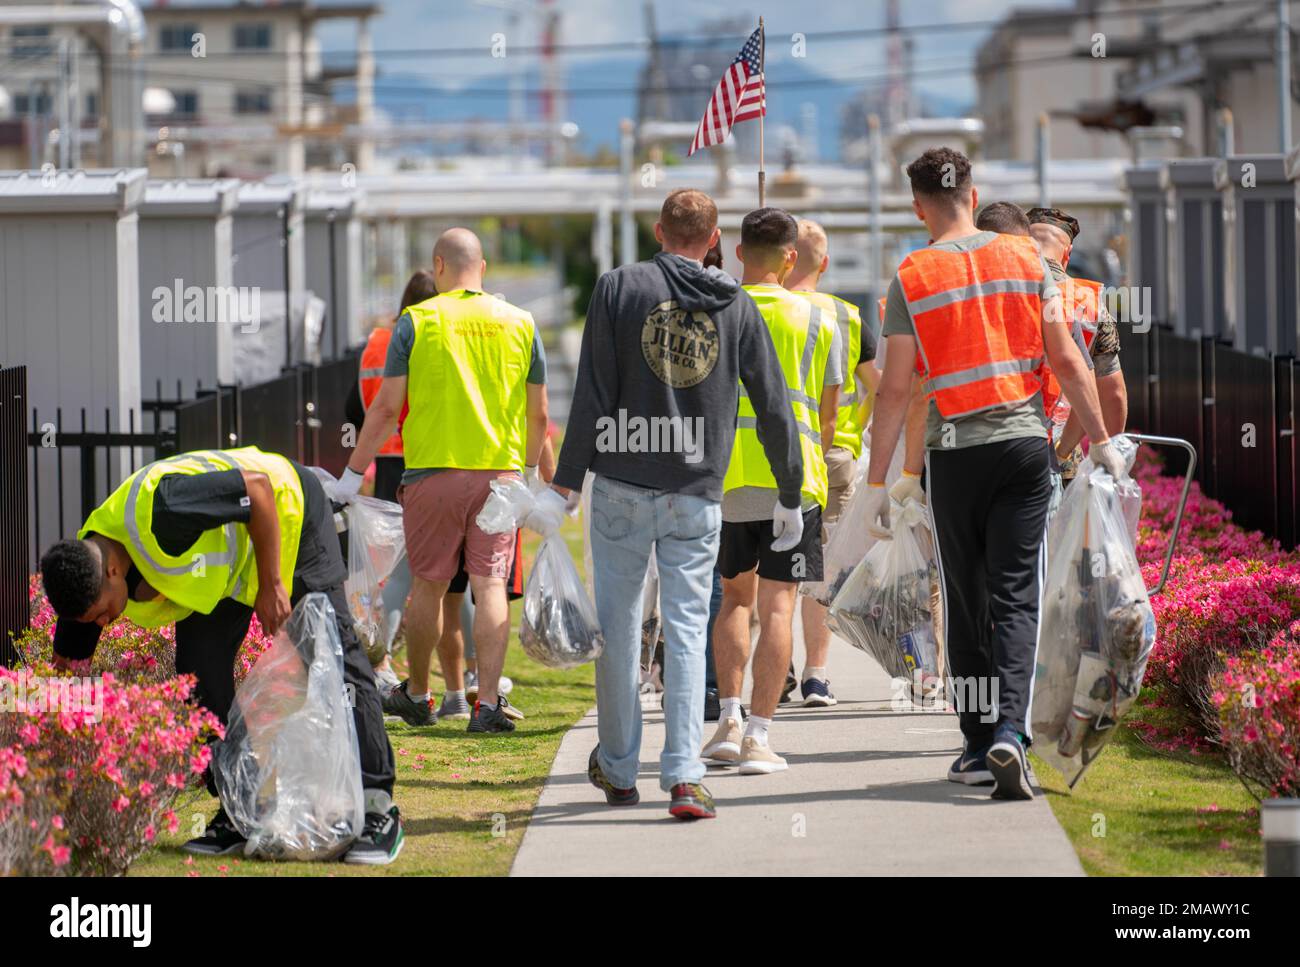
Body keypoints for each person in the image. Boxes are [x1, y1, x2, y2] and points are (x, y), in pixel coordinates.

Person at [863, 147, 1126, 801]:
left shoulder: (912, 274)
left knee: (966, 599)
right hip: (1022, 450)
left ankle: (978, 743)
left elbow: (896, 390)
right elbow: (1068, 360)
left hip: (955, 457)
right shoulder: (1026, 261)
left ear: (919, 207)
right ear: (973, 197)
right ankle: (1013, 729)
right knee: (1016, 596)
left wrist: (881, 483)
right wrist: (1101, 443)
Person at [548, 188, 803, 819]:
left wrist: (566, 483)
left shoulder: (617, 288)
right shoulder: (737, 304)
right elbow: (774, 404)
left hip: (621, 483)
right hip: (696, 491)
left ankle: (616, 767)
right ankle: (685, 775)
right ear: (714, 240)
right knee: (688, 633)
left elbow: (593, 389)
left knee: (618, 631)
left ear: (661, 231)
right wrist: (790, 491)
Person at [39, 447, 403, 864]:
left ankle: (378, 808)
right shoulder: (88, 561)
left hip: (290, 516)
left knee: (332, 652)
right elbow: (73, 637)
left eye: (102, 612)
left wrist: (271, 584)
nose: (102, 623)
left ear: (113, 572)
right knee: (199, 676)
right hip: (232, 572)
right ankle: (241, 807)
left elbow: (258, 489)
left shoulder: (165, 509)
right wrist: (57, 684)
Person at [341, 227, 549, 734]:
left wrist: (350, 476)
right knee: (491, 585)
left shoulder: (416, 321)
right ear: (484, 268)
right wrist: (529, 475)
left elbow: (387, 407)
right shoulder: (521, 323)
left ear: (438, 267)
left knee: (429, 587)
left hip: (433, 472)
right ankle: (487, 706)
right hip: (498, 475)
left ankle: (418, 695)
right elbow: (539, 414)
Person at [704, 207, 840, 776]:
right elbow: (828, 419)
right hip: (795, 482)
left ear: (738, 254)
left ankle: (728, 725)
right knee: (779, 605)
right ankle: (760, 736)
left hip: (726, 478)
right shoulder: (818, 318)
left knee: (735, 600)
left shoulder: (714, 311)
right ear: (791, 257)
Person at [785, 217, 877, 708]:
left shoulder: (759, 306)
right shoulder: (847, 314)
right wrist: (856, 426)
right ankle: (817, 676)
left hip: (764, 457)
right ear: (824, 261)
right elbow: (877, 387)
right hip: (834, 456)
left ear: (784, 257)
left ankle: (775, 670)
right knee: (818, 570)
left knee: (767, 569)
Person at [358, 270, 437, 696]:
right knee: (427, 575)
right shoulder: (427, 337)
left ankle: (380, 658)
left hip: (384, 463)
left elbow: (357, 407)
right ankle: (384, 661)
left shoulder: (374, 343)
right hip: (421, 460)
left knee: (394, 571)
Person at [1025, 207, 1127, 480]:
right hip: (1061, 458)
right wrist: (1104, 457)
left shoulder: (1002, 290)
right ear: (1067, 255)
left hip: (1004, 444)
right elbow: (1113, 395)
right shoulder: (1092, 307)